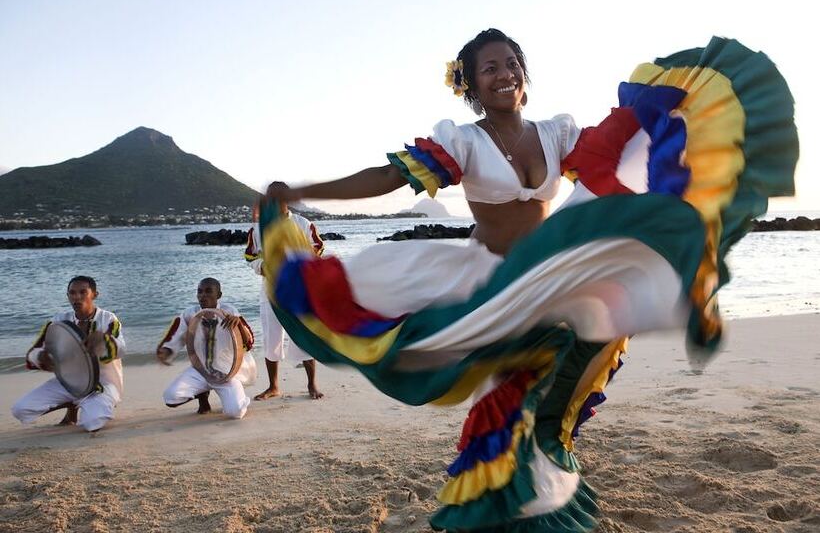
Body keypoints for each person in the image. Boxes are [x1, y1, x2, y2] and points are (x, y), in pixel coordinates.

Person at [261, 29, 798, 531]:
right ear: (472, 85)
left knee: (555, 384)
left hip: (548, 277)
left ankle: (535, 494)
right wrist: (303, 193)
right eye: (490, 68)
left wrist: (668, 113)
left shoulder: (554, 134)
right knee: (509, 394)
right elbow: (387, 177)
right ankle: (512, 506)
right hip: (485, 281)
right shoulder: (464, 142)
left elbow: (613, 151)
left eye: (512, 63)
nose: (505, 74)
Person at [12, 276, 125, 432]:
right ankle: (72, 404)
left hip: (102, 385)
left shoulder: (108, 319)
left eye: (83, 292)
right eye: (72, 293)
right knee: (20, 409)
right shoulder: (58, 321)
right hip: (69, 383)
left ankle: (86, 405)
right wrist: (41, 357)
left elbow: (121, 349)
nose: (77, 297)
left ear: (94, 294)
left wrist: (103, 339)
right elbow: (34, 352)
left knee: (93, 423)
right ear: (68, 296)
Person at [245, 203, 324, 400]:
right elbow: (250, 255)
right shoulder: (258, 228)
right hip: (270, 291)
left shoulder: (302, 223)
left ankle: (312, 384)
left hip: (298, 290)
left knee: (303, 335)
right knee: (271, 338)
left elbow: (318, 247)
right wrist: (261, 267)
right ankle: (273, 387)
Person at [156, 277, 256, 419]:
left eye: (208, 291)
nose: (203, 296)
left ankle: (235, 396)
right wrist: (166, 351)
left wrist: (238, 323)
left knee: (236, 412)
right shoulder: (190, 314)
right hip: (200, 371)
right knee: (171, 397)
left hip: (226, 374)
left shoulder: (229, 312)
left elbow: (249, 342)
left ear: (218, 295)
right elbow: (177, 335)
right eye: (200, 292)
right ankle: (202, 395)